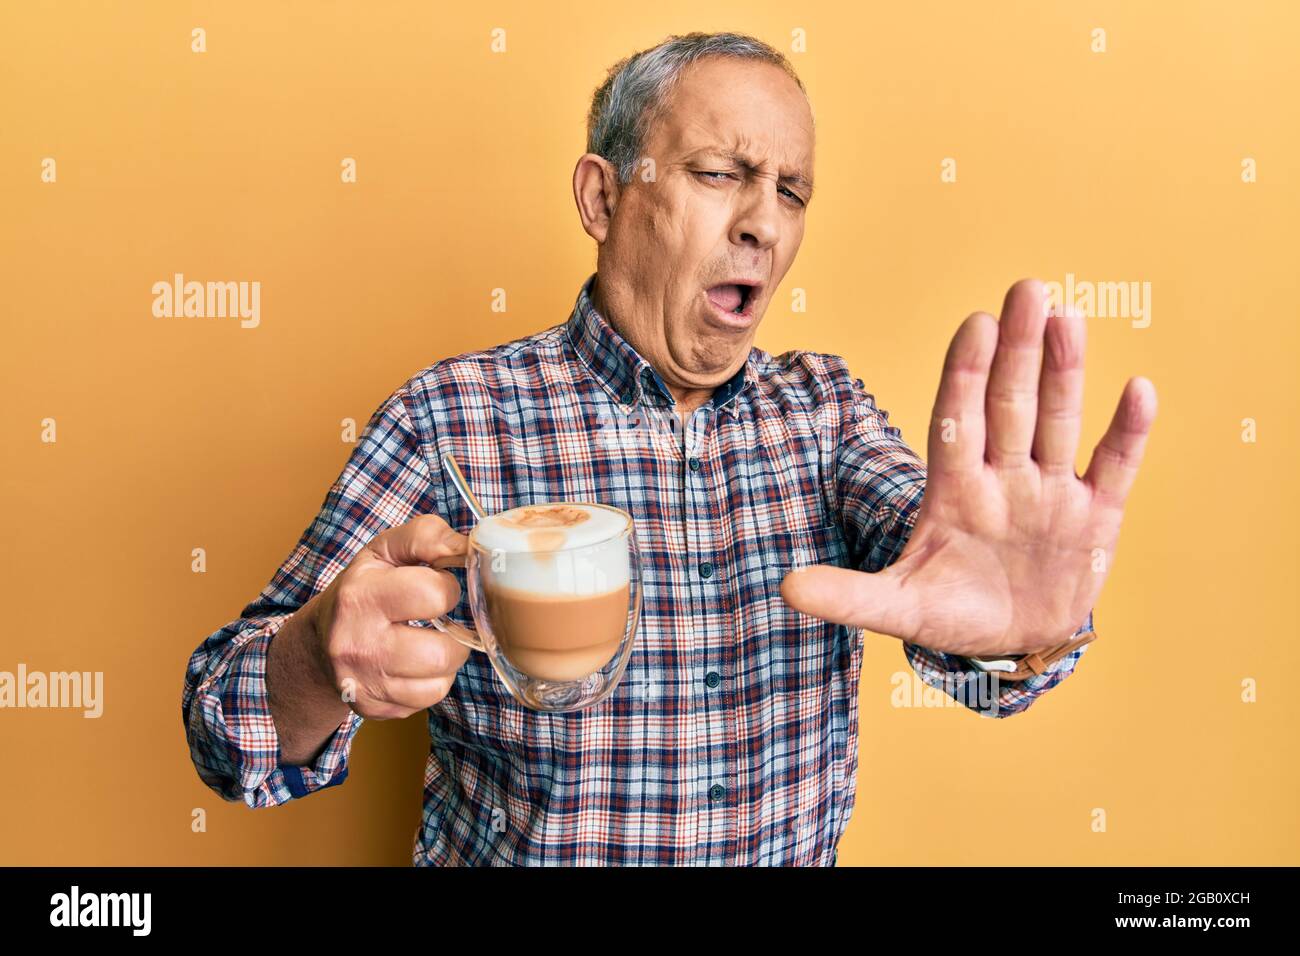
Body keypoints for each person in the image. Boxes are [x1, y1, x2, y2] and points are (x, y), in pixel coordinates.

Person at [183, 31, 1155, 866]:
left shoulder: (825, 412)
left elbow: (949, 575)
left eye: (792, 190)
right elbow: (225, 729)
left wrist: (1026, 630)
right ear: (605, 201)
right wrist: (312, 658)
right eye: (720, 173)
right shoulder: (452, 418)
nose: (762, 222)